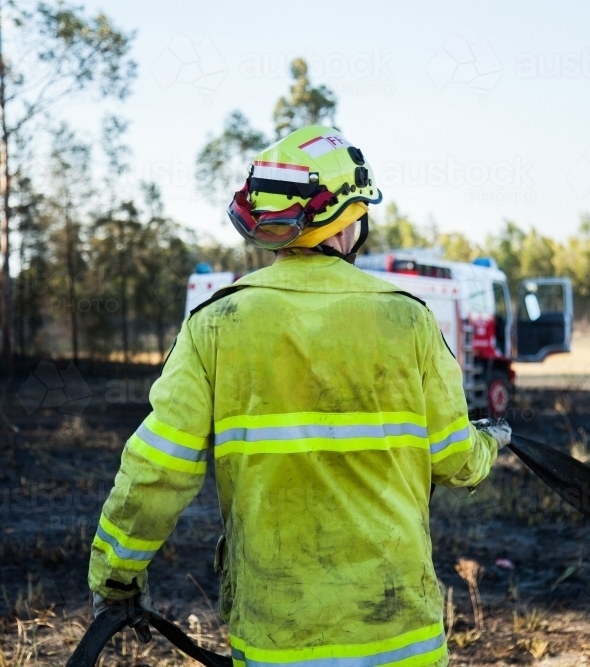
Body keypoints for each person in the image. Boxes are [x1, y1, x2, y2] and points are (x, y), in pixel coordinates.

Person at [87, 124, 512, 667]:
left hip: (276, 640)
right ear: (349, 219)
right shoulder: (410, 319)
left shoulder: (216, 323)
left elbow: (157, 468)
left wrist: (116, 577)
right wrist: (489, 446)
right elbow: (455, 459)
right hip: (399, 636)